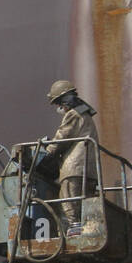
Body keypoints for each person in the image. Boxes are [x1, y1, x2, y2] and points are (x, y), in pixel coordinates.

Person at [42, 80, 99, 236]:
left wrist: (47, 152)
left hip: (74, 166)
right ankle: (88, 227)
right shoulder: (84, 114)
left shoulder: (73, 114)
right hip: (90, 167)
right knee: (85, 198)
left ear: (64, 100)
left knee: (68, 195)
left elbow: (62, 136)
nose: (59, 108)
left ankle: (75, 227)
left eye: (58, 104)